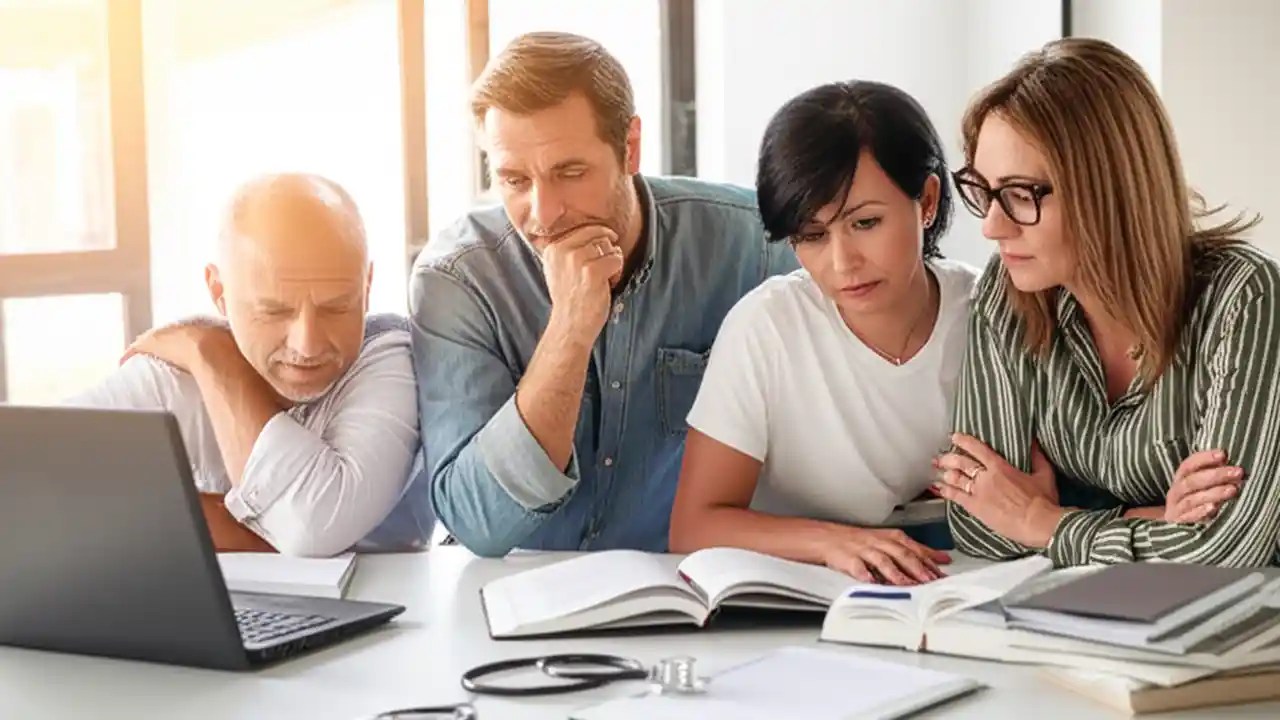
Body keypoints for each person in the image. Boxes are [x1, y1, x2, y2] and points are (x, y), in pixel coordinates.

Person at [411, 31, 797, 557]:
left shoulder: (756, 244)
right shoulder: (458, 280)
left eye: (570, 173)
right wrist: (571, 327)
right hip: (514, 600)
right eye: (514, 180)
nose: (543, 214)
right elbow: (477, 523)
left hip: (690, 593)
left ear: (629, 147)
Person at [933, 38, 1276, 567]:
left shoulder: (1244, 299)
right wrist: (1152, 516)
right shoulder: (1009, 292)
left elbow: (1228, 552)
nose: (991, 226)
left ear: (1107, 190)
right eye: (984, 190)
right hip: (1100, 619)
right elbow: (981, 525)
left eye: (1020, 195)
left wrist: (1044, 519)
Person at [667, 81, 969, 585]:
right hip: (789, 597)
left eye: (866, 222)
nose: (842, 262)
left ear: (929, 201)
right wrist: (830, 541)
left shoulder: (985, 314)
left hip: (945, 585)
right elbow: (693, 525)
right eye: (811, 236)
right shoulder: (766, 328)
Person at [71, 173, 433, 557]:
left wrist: (212, 355)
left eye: (336, 307)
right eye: (274, 311)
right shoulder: (174, 374)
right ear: (218, 292)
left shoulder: (388, 355)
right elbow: (27, 477)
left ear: (367, 287)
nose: (307, 345)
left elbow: (313, 527)